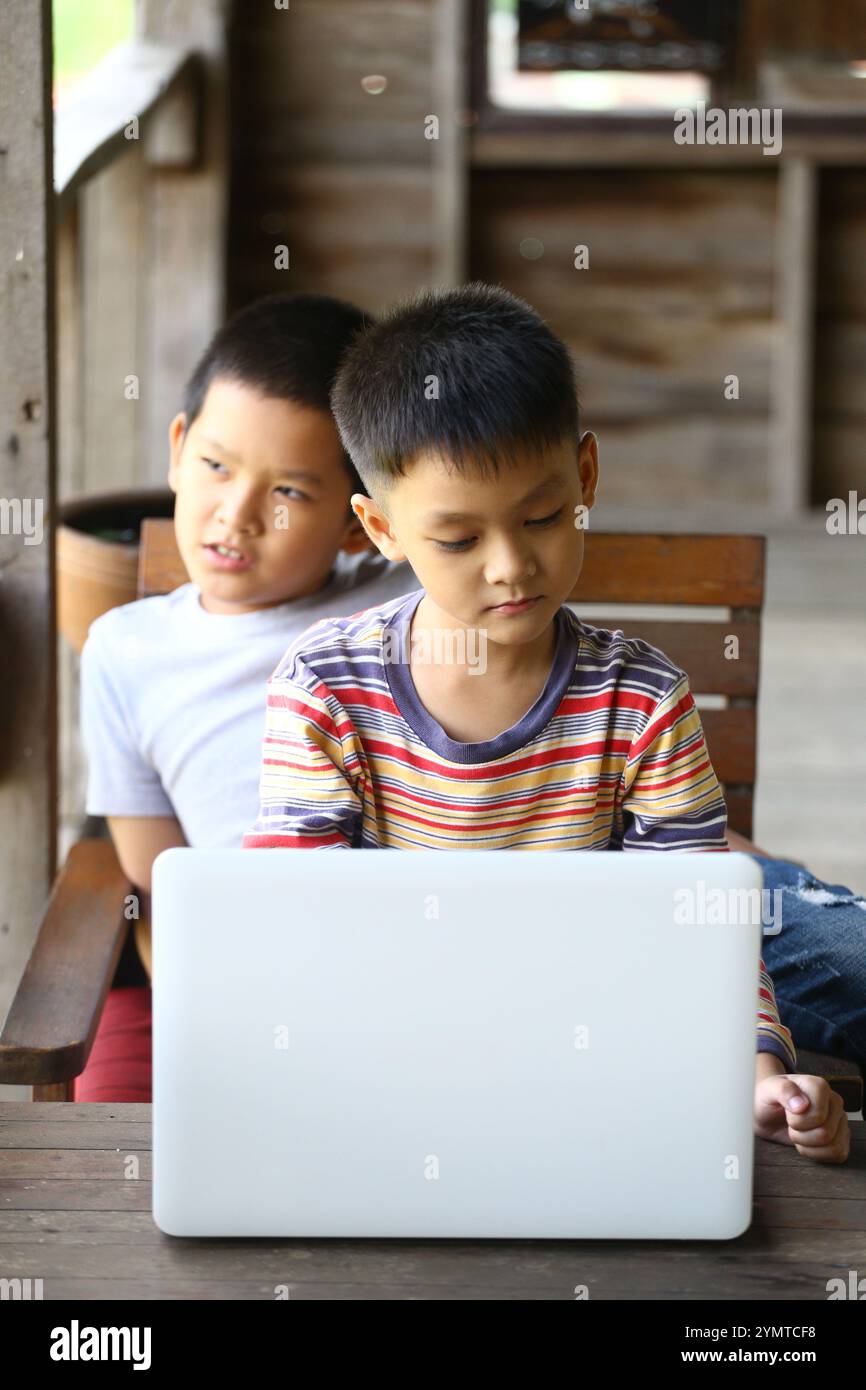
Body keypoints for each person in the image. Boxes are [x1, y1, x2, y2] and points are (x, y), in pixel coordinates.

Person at [242, 282, 851, 1164]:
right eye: (457, 540)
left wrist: (758, 1073)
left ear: (587, 478)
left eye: (544, 516)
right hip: (401, 1057)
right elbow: (300, 931)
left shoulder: (642, 701)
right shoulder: (326, 689)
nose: (512, 565)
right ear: (380, 528)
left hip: (595, 1047)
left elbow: (698, 924)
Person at [76, 293, 421, 1101]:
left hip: (403, 956)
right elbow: (153, 866)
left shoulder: (405, 597)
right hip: (236, 961)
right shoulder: (125, 649)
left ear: (356, 521)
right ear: (177, 447)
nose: (235, 514)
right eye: (216, 465)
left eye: (291, 493)